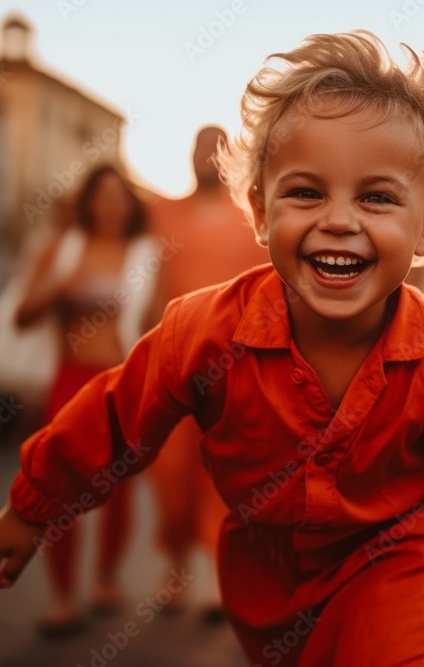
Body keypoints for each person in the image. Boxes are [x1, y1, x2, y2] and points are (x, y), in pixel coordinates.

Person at [0, 31, 424, 666]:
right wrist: (32, 506)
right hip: (268, 581)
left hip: (402, 553)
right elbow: (114, 414)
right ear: (262, 213)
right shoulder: (205, 331)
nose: (340, 220)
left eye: (376, 197)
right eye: (306, 193)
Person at [12, 164, 159, 635]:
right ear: (88, 202)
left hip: (122, 379)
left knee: (119, 490)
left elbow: (161, 324)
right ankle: (62, 598)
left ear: (132, 204)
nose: (111, 205)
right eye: (102, 195)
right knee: (60, 486)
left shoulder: (149, 253)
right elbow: (21, 315)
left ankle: (106, 580)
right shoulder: (61, 248)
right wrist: (65, 288)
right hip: (69, 378)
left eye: (121, 196)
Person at [145, 126, 270, 622]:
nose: (206, 158)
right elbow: (149, 283)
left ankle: (219, 581)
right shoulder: (163, 214)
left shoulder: (253, 221)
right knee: (171, 476)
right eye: (199, 147)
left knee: (224, 479)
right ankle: (174, 572)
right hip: (174, 364)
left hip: (234, 371)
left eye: (216, 150)